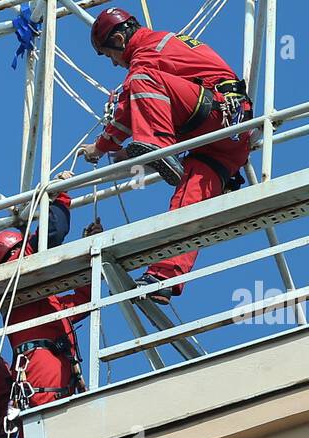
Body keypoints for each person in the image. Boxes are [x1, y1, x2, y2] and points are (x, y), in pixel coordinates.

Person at [77, 7, 252, 303]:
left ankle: (158, 146)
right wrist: (123, 151)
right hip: (225, 139)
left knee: (139, 82)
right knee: (187, 202)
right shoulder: (165, 44)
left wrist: (100, 147)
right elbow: (151, 107)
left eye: (110, 56)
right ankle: (164, 278)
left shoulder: (147, 53)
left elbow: (126, 112)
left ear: (120, 40)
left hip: (216, 115)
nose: (114, 64)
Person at [0, 218, 104, 410]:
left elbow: (85, 298)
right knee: (46, 425)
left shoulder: (45, 304)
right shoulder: (16, 289)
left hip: (56, 380)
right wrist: (59, 194)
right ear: (14, 253)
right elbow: (53, 230)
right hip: (42, 380)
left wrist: (88, 250)